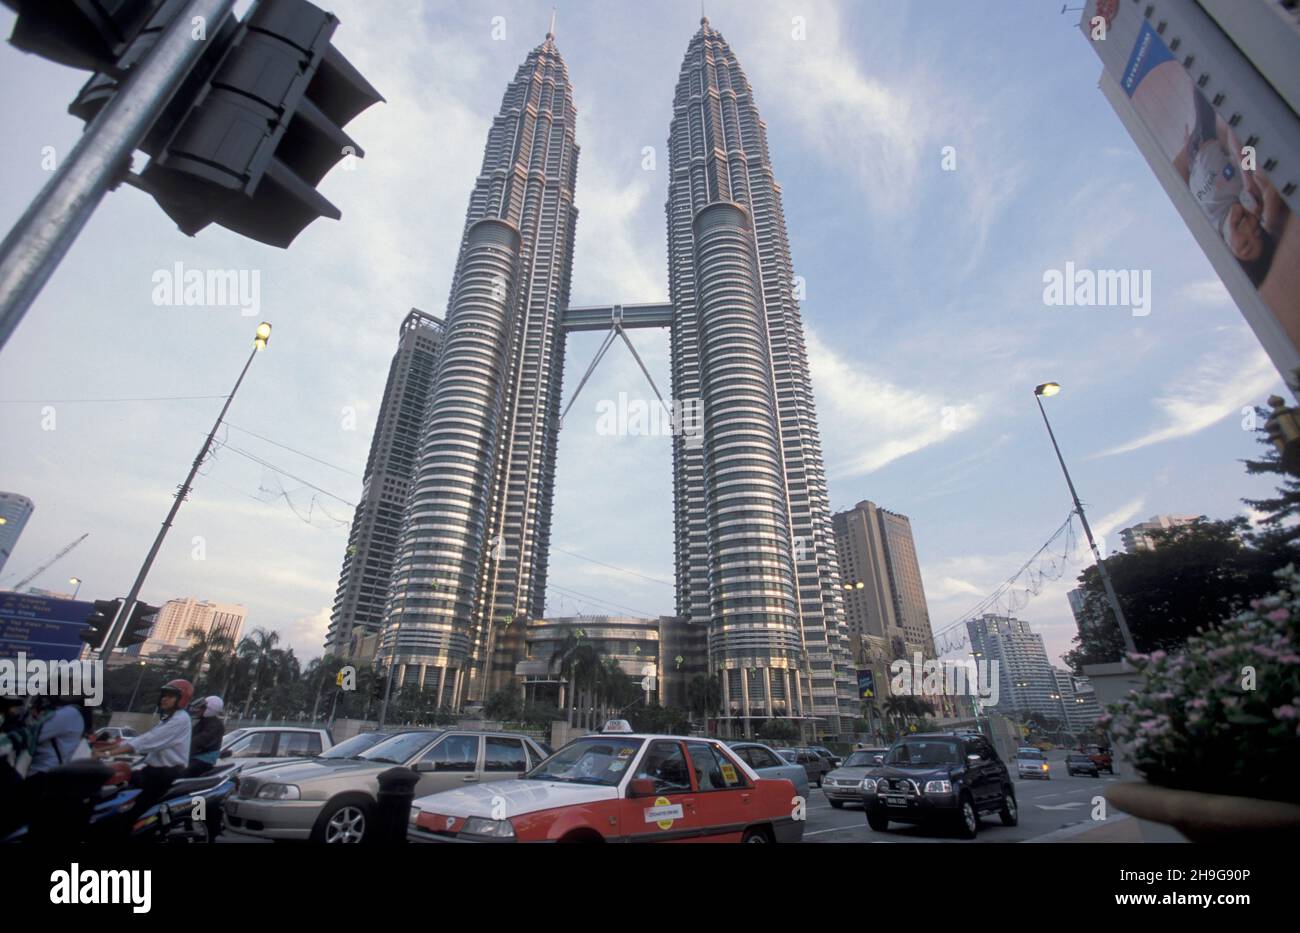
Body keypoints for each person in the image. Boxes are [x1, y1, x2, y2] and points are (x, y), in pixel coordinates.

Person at [101, 679, 193, 824]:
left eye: (170, 696)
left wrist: (107, 754)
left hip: (164, 775)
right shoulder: (168, 718)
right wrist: (105, 748)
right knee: (118, 788)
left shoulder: (180, 719)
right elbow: (140, 739)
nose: (164, 698)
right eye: (164, 695)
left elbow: (147, 741)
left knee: (131, 813)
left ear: (181, 699)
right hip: (152, 771)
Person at [186, 695, 225, 777]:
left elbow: (197, 742)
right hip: (196, 758)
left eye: (202, 708)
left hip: (201, 762)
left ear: (209, 710)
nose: (198, 709)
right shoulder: (204, 721)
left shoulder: (214, 725)